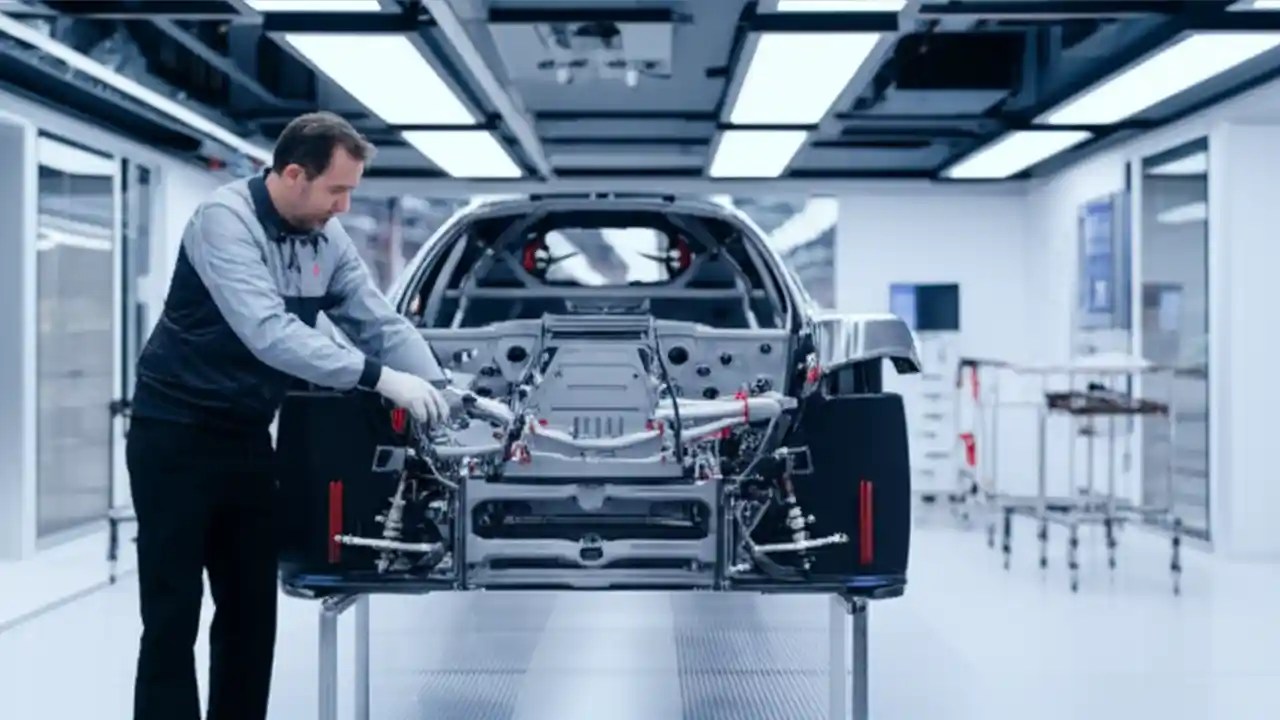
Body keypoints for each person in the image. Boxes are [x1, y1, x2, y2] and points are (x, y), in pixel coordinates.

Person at [125, 111, 448, 720]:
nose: (345, 207)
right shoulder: (224, 222)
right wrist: (382, 379)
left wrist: (436, 388)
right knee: (172, 611)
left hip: (246, 435)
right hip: (173, 434)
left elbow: (379, 323)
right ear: (295, 174)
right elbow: (269, 336)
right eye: (337, 191)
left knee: (251, 610)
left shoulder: (328, 240)